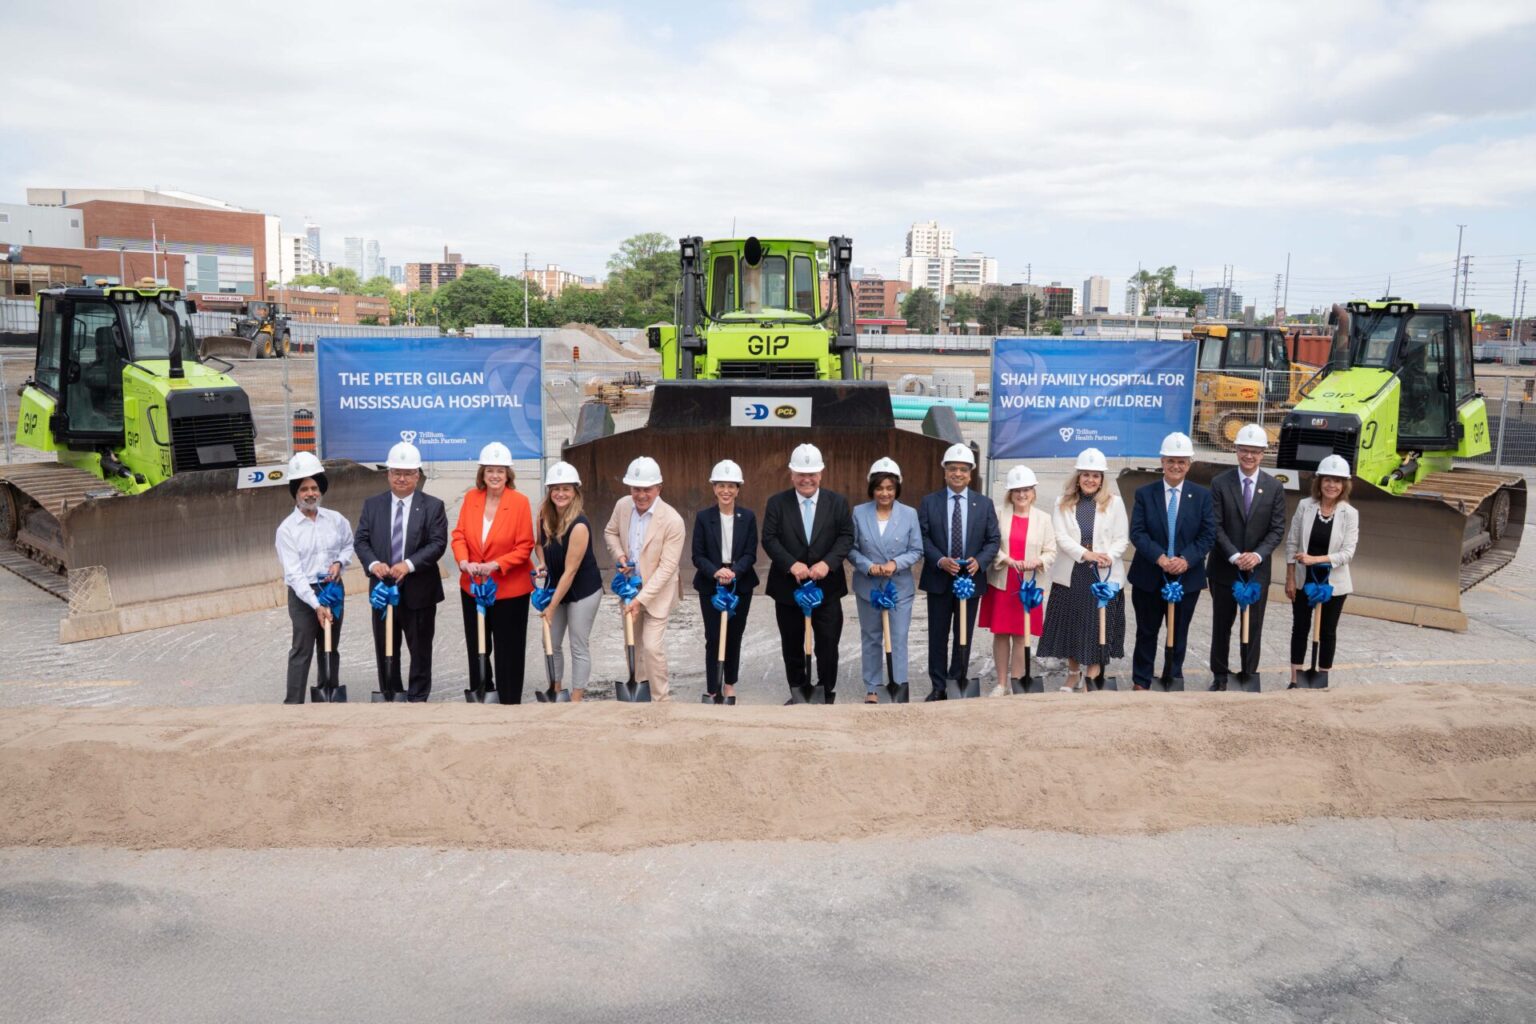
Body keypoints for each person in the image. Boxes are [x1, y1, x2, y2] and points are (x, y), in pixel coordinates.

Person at [354, 441, 449, 701]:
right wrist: (374, 564)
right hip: (382, 590)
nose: (402, 478)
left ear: (417, 475)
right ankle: (390, 692)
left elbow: (437, 544)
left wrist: (408, 565)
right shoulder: (372, 505)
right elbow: (361, 541)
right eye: (396, 472)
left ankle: (417, 697)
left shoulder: (433, 506)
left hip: (419, 592)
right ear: (388, 474)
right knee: (385, 647)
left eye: (408, 473)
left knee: (420, 649)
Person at [761, 443, 855, 703]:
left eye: (812, 473)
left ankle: (825, 690)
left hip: (827, 587)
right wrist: (791, 564)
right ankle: (798, 690)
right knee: (792, 643)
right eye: (801, 474)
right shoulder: (777, 503)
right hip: (788, 588)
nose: (806, 479)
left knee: (828, 643)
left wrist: (827, 564)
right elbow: (769, 538)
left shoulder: (837, 503)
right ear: (791, 474)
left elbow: (846, 536)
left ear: (821, 474)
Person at [1128, 431, 1216, 690]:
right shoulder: (1145, 494)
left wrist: (1186, 560)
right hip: (1149, 575)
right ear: (1162, 462)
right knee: (1146, 631)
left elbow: (1208, 535)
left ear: (1189, 464)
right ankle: (1141, 680)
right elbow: (1138, 532)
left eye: (1181, 462)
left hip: (1187, 578)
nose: (1176, 466)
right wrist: (1160, 557)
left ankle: (1172, 677)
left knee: (1178, 632)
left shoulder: (1202, 496)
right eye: (1171, 461)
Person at [1037, 448, 1129, 691]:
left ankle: (1091, 677)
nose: (1090, 480)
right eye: (1086, 474)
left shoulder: (1115, 503)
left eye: (1096, 475)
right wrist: (1085, 554)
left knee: (1098, 627)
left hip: (1103, 574)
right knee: (1073, 626)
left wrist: (1109, 556)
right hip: (1073, 572)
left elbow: (1122, 538)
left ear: (1102, 479)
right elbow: (1060, 536)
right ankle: (1073, 674)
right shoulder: (1062, 502)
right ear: (1078, 477)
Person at [450, 442, 535, 703]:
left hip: (510, 590)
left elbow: (525, 546)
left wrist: (495, 565)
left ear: (508, 474)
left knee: (509, 648)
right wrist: (463, 562)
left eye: (500, 470)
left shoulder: (520, 502)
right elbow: (459, 535)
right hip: (473, 586)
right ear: (482, 473)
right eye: (490, 470)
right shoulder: (471, 498)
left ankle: (509, 699)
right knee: (478, 645)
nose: (495, 476)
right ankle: (483, 691)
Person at [1206, 423, 1287, 690]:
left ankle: (1248, 674)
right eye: (1244, 450)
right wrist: (1234, 555)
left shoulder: (1274, 487)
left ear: (1263, 454)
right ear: (1236, 450)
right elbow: (1215, 525)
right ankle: (1220, 676)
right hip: (1224, 568)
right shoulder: (1220, 483)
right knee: (1222, 625)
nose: (1249, 456)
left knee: (1252, 626)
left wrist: (1257, 556)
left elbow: (1277, 529)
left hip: (1257, 571)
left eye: (1254, 451)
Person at [917, 443, 1001, 700]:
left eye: (963, 470)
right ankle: (938, 686)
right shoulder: (929, 502)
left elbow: (993, 540)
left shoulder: (984, 504)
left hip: (970, 580)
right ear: (945, 472)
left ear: (970, 474)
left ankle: (957, 681)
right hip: (939, 579)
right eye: (952, 468)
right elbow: (922, 537)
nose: (957, 474)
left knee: (963, 634)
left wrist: (980, 562)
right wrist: (940, 560)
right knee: (937, 635)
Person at [603, 455, 686, 701]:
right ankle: (640, 694)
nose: (640, 495)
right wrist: (620, 555)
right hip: (630, 588)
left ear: (659, 488)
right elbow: (610, 532)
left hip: (658, 592)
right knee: (633, 644)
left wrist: (641, 600)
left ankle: (661, 699)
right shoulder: (622, 506)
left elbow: (667, 568)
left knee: (651, 647)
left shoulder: (672, 520)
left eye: (647, 489)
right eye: (636, 489)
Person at [274, 451, 354, 704]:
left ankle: (327, 696)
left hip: (333, 589)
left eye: (314, 488)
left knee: (329, 646)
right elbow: (294, 575)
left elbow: (348, 545)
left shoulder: (336, 519)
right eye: (304, 489)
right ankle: (294, 703)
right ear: (295, 493)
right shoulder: (287, 530)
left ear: (321, 490)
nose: (310, 494)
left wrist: (340, 563)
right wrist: (316, 604)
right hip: (304, 595)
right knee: (302, 648)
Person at [849, 457, 923, 703]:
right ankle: (873, 687)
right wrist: (868, 566)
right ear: (872, 488)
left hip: (898, 586)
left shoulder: (909, 514)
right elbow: (851, 548)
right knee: (871, 636)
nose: (885, 493)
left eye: (890, 488)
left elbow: (916, 550)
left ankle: (898, 684)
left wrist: (895, 564)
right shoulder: (859, 513)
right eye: (879, 488)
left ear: (897, 488)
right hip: (868, 586)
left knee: (899, 636)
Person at [980, 464, 1057, 696]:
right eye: (1017, 490)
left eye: (1026, 490)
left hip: (1029, 585)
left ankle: (1016, 682)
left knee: (1022, 634)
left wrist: (1038, 561)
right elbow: (989, 543)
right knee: (1001, 633)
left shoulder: (1043, 519)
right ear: (1010, 493)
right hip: (1003, 582)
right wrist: (1006, 559)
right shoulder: (998, 514)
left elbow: (1051, 551)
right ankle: (1001, 683)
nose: (1022, 494)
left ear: (1033, 492)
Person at [1285, 454, 1359, 686]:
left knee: (1327, 631)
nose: (1331, 485)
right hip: (1303, 579)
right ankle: (1296, 679)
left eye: (1337, 481)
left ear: (1344, 485)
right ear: (1319, 481)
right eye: (1327, 479)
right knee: (1300, 628)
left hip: (1334, 583)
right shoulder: (1305, 506)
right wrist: (1290, 578)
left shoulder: (1350, 513)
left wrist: (1315, 559)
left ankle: (1321, 679)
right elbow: (1292, 542)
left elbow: (1348, 553)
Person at [691, 459, 759, 705]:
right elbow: (697, 555)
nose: (726, 491)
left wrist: (734, 572)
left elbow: (751, 553)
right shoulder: (703, 517)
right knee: (713, 636)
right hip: (711, 583)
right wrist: (716, 572)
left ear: (738, 489)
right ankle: (713, 687)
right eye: (721, 485)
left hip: (740, 582)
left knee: (734, 635)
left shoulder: (747, 517)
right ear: (714, 488)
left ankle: (729, 683)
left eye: (731, 486)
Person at [534, 461, 602, 701]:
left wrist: (551, 607)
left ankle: (575, 698)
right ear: (549, 491)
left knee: (577, 644)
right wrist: (543, 562)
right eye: (555, 488)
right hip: (556, 586)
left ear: (575, 492)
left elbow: (571, 571)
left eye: (566, 489)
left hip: (583, 590)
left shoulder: (579, 525)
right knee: (549, 641)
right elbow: (538, 544)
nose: (560, 493)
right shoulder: (543, 515)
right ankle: (556, 690)